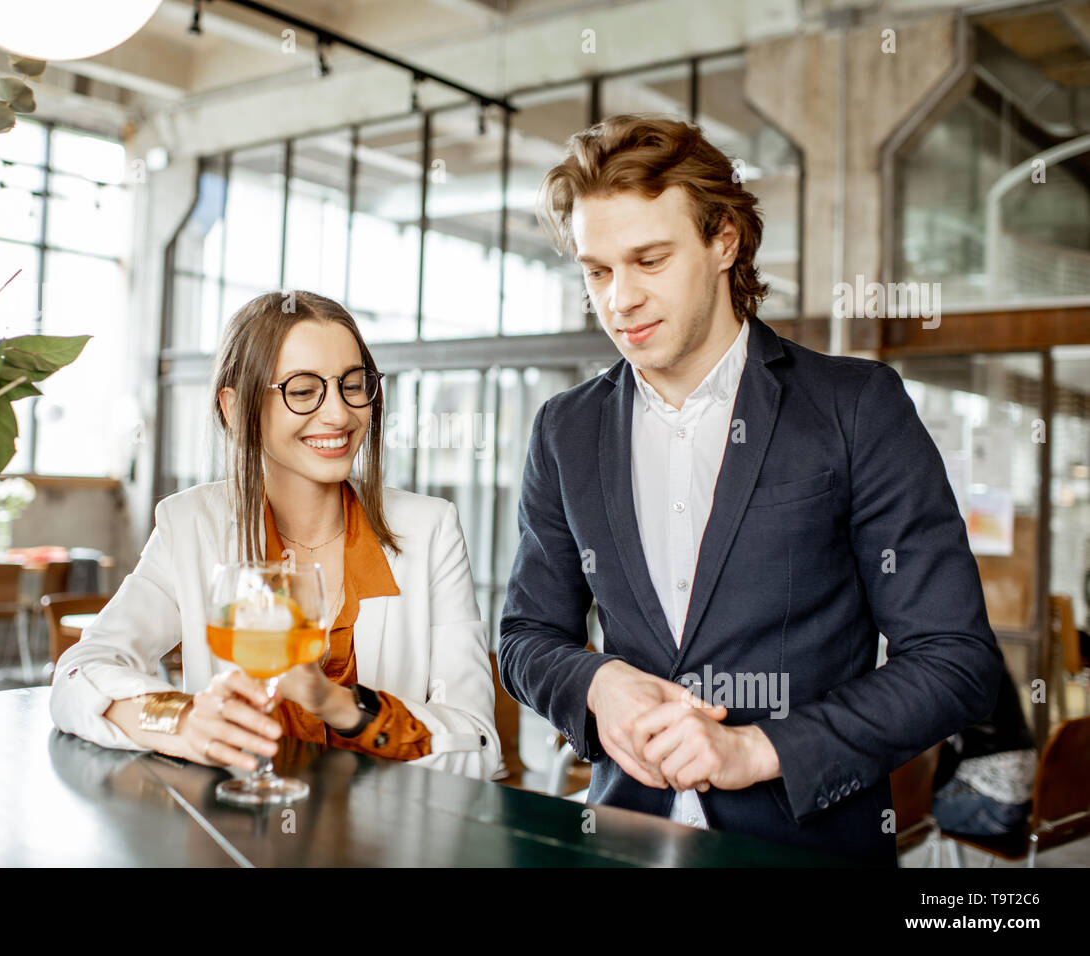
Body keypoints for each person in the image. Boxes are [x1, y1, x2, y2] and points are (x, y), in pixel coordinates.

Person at [497, 114, 1004, 865]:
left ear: (724, 241)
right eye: (597, 270)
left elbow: (955, 660)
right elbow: (524, 637)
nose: (620, 299)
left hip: (808, 848)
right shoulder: (563, 430)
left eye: (650, 259)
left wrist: (757, 749)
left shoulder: (854, 406)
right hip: (621, 842)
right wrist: (598, 681)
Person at [50, 290, 499, 780]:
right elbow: (77, 674)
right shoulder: (190, 525)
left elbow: (478, 746)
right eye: (304, 391)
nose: (339, 415)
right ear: (234, 406)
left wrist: (339, 704)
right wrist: (180, 720)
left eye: (353, 385)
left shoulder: (430, 530)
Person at [932, 668, 1035, 837]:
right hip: (1025, 802)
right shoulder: (987, 655)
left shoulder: (945, 668)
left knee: (894, 815)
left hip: (994, 806)